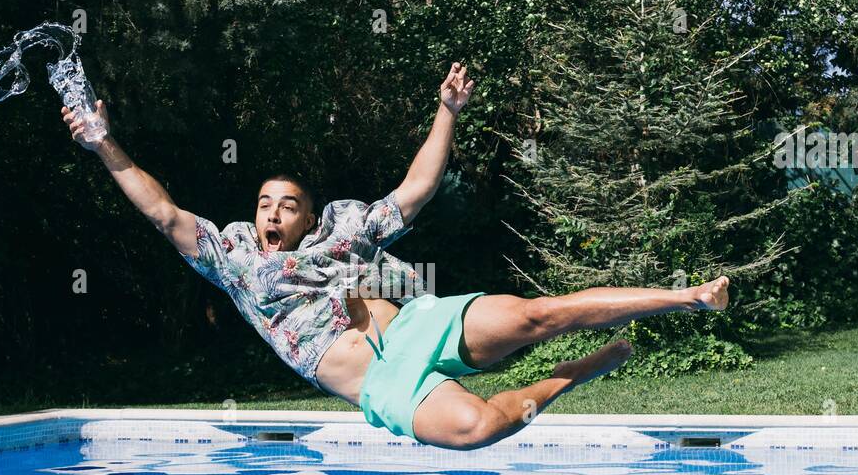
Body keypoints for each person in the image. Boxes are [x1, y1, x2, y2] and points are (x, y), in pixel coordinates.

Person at [63, 62, 728, 449]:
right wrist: (104, 145)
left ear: (310, 216)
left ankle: (688, 296)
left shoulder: (343, 232)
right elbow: (162, 212)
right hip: (381, 384)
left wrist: (447, 111)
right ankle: (586, 370)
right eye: (264, 201)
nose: (271, 211)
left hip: (414, 325)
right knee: (478, 430)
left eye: (287, 203)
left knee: (535, 316)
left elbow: (414, 192)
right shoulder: (233, 255)